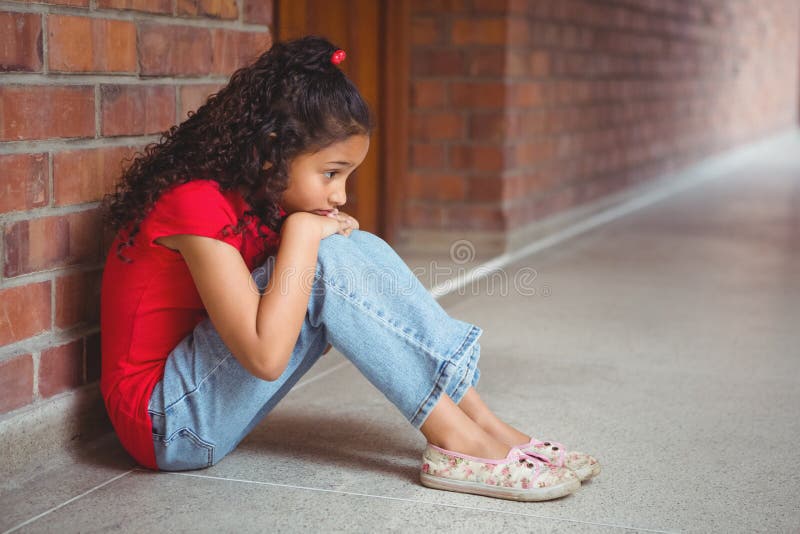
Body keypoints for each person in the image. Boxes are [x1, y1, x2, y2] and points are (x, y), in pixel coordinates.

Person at [100, 35, 599, 502]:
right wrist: (302, 233)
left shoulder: (255, 197)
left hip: (196, 401)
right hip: (167, 422)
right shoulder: (194, 204)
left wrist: (315, 233)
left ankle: (486, 426)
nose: (340, 194)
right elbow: (265, 358)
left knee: (346, 247)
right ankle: (456, 439)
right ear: (272, 150)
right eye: (331, 174)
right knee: (326, 257)